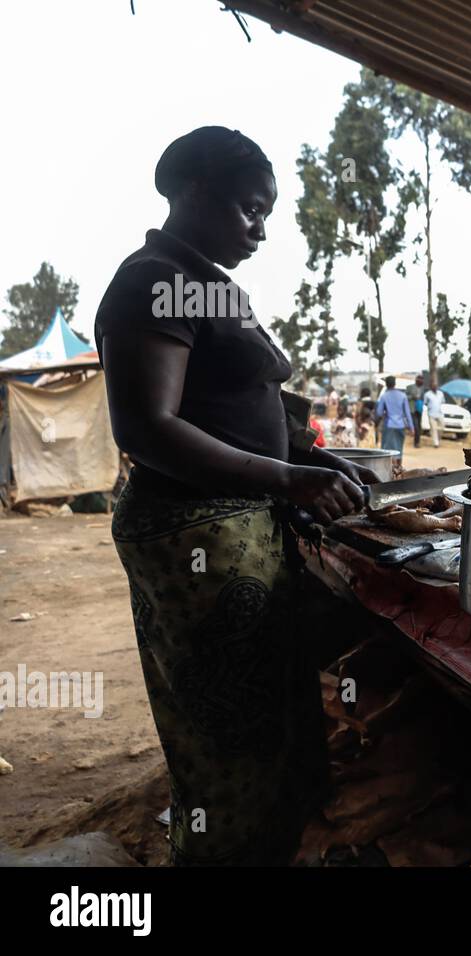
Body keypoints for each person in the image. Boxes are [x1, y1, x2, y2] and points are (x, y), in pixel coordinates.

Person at [94, 126, 380, 866]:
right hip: (197, 539)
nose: (260, 228)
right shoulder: (155, 278)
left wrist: (313, 455)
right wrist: (287, 477)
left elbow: (231, 402)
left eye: (267, 213)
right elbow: (149, 428)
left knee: (271, 717)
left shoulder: (197, 278)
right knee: (230, 737)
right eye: (250, 208)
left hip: (237, 530)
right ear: (195, 192)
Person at [376, 375, 413, 454]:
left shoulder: (384, 396)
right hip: (400, 425)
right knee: (399, 449)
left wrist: (384, 415)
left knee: (387, 451)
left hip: (389, 425)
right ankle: (399, 465)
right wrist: (411, 428)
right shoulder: (403, 395)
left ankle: (390, 466)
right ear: (395, 383)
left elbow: (379, 412)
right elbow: (407, 413)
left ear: (386, 384)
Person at [422, 380, 444, 448]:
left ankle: (438, 439)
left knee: (442, 428)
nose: (434, 387)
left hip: (439, 414)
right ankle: (436, 443)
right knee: (433, 429)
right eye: (433, 386)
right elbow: (425, 403)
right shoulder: (427, 394)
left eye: (435, 386)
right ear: (431, 387)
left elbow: (442, 402)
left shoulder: (441, 393)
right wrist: (429, 407)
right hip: (431, 414)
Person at [406, 375, 424, 448]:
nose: (422, 381)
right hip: (412, 409)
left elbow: (423, 398)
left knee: (419, 427)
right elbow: (405, 397)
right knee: (416, 426)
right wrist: (412, 397)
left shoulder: (422, 389)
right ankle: (416, 443)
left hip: (419, 409)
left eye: (422, 380)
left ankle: (417, 442)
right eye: (420, 379)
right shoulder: (410, 387)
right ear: (416, 380)